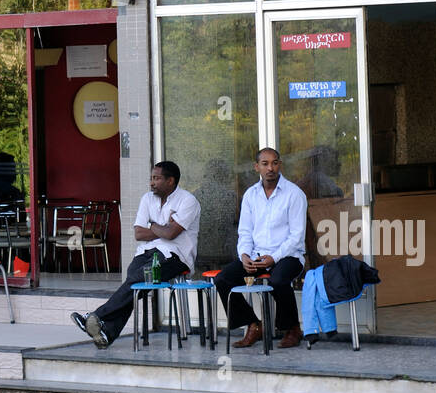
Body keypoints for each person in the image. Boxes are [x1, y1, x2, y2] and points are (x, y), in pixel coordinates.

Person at [70, 160, 200, 349]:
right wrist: (162, 227)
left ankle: (97, 316)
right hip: (147, 251)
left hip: (176, 256)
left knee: (137, 279)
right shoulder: (147, 199)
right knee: (134, 280)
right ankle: (106, 333)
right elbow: (139, 233)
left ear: (170, 181)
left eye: (156, 178)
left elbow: (172, 235)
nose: (151, 183)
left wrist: (153, 225)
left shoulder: (188, 201)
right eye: (151, 178)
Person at [212, 148, 308, 349]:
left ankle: (292, 329)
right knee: (223, 279)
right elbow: (245, 231)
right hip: (256, 255)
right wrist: (244, 255)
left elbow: (297, 236)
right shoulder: (250, 195)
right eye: (265, 164)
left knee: (279, 280)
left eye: (274, 163)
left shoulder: (294, 194)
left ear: (279, 165)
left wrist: (274, 257)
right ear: (257, 167)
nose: (270, 168)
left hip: (288, 255)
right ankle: (254, 325)